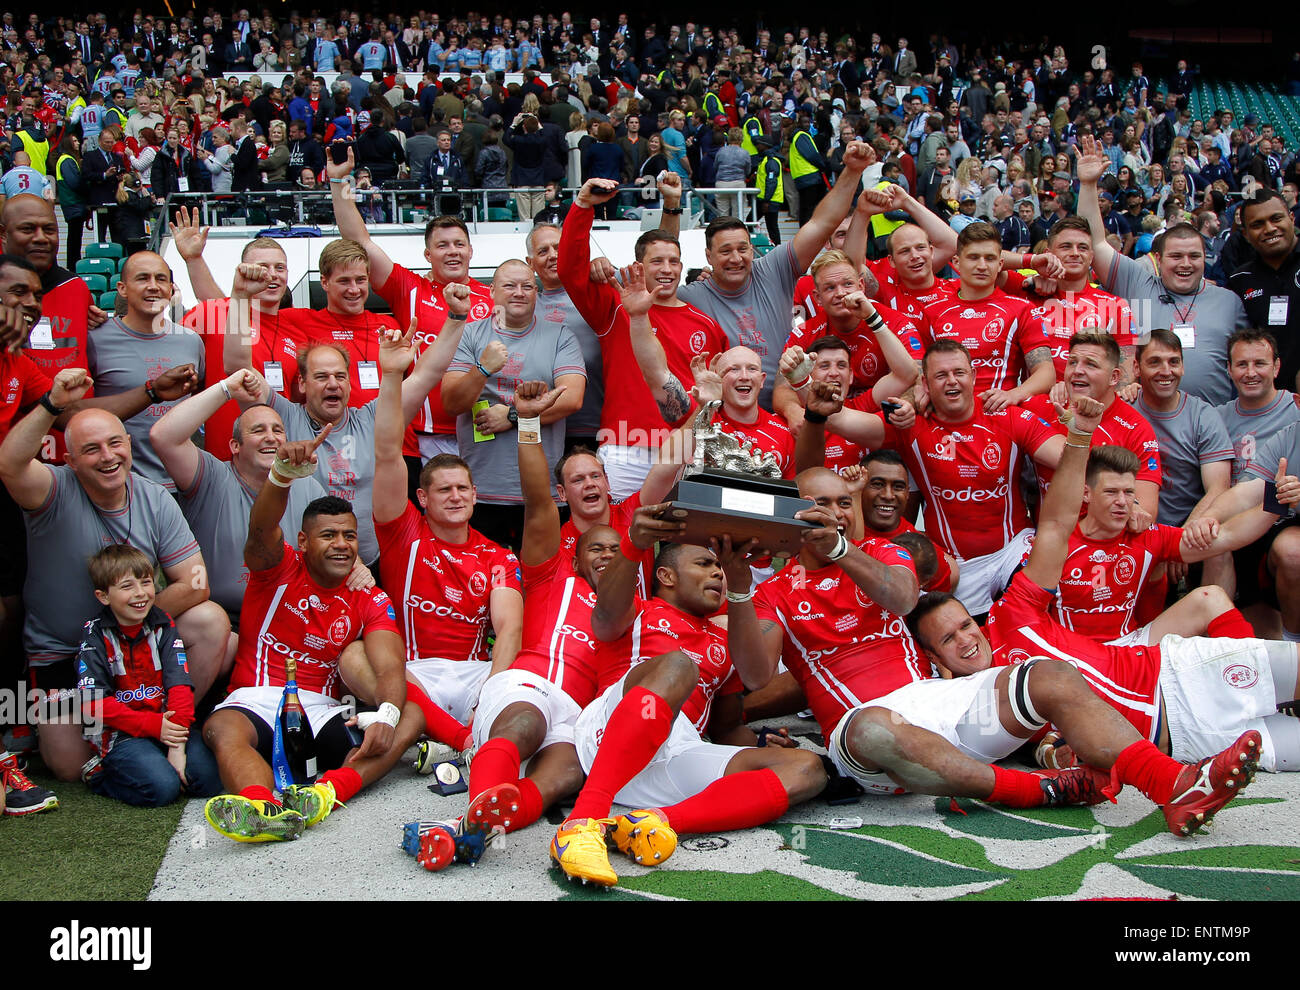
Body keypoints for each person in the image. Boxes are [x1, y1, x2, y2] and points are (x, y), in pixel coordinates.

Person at [828, 395, 1267, 835]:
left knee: (1203, 617)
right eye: (949, 640)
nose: (966, 639)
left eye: (966, 624)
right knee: (1043, 680)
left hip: (1149, 668)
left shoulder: (1013, 613)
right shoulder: (972, 686)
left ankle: (1187, 758)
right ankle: (1146, 783)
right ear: (936, 662)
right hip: (1144, 708)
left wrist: (1079, 435)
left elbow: (1054, 523)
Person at [549, 508, 828, 888]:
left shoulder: (723, 641)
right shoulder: (637, 611)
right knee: (679, 666)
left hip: (673, 754)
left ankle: (651, 823)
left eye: (720, 567)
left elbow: (731, 720)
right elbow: (604, 615)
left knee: (807, 768)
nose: (717, 572)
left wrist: (762, 745)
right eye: (705, 563)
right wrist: (634, 544)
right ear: (665, 576)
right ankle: (582, 823)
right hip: (611, 732)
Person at [0, 374, 231, 783]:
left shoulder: (155, 497)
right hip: (63, 654)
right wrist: (52, 404)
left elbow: (195, 583)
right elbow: (9, 463)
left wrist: (123, 621)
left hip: (135, 651)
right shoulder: (51, 490)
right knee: (69, 767)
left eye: (115, 443)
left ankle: (166, 725)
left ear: (128, 444)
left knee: (214, 623)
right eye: (91, 450)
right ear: (70, 461)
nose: (108, 457)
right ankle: (124, 736)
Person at [201, 441, 407, 843]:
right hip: (256, 697)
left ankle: (329, 794)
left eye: (349, 535)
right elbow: (260, 529)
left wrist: (387, 714)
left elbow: (389, 666)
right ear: (302, 542)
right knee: (221, 727)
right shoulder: (277, 570)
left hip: (320, 709)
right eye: (328, 535)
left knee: (404, 716)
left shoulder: (369, 595)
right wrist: (281, 476)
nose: (342, 544)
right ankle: (263, 811)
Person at [804, 340, 1071, 616]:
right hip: (954, 564)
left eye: (959, 372)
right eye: (941, 376)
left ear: (974, 376)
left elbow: (1067, 460)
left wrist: (1080, 432)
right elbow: (841, 421)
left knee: (1027, 611)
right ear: (926, 385)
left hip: (1012, 550)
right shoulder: (911, 425)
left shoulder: (1007, 417)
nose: (951, 381)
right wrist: (804, 385)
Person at [661, 141, 872, 411]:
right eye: (725, 251)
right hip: (729, 418)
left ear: (753, 249)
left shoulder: (774, 268)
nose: (736, 258)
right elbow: (660, 259)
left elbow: (822, 223)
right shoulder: (692, 296)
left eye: (743, 249)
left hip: (788, 409)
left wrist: (852, 171)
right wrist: (671, 205)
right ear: (708, 257)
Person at [558, 178, 727, 499]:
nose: (667, 269)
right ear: (639, 267)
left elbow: (716, 397)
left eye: (674, 261)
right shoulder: (614, 307)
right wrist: (582, 206)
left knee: (687, 546)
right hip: (626, 447)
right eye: (657, 261)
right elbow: (568, 269)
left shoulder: (706, 325)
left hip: (688, 448)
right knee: (624, 542)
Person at [327, 147, 492, 472]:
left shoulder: (494, 296)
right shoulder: (409, 288)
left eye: (459, 244)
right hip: (423, 434)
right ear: (428, 255)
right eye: (442, 245)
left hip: (481, 429)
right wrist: (339, 183)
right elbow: (360, 241)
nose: (452, 252)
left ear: (471, 250)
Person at [1076, 134, 1248, 406]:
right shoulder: (1136, 282)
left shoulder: (1230, 302)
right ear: (1158, 258)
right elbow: (1095, 242)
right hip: (1147, 421)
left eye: (1194, 256)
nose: (1185, 264)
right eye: (1176, 256)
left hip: (1215, 423)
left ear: (1206, 258)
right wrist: (1087, 184)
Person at [440, 259, 586, 550]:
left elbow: (572, 398)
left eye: (527, 286)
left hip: (540, 493)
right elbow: (451, 402)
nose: (519, 292)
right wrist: (482, 368)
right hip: (479, 491)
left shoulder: (559, 335)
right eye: (510, 285)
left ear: (536, 292)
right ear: (492, 291)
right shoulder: (470, 334)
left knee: (540, 580)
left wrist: (512, 415)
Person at [76, 544, 222, 806]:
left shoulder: (163, 623)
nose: (140, 593)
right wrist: (153, 726)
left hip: (169, 726)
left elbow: (180, 685)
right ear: (103, 596)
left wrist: (176, 747)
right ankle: (100, 775)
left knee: (211, 780)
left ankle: (163, 761)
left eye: (146, 583)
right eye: (127, 586)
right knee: (162, 789)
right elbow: (93, 704)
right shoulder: (94, 633)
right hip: (122, 734)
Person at [86, 252, 204, 491]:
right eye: (142, 278)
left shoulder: (191, 341)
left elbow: (197, 397)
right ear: (122, 288)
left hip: (182, 483)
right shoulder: (95, 339)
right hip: (121, 485)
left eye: (161, 279)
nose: (153, 286)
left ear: (171, 289)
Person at [920, 222, 1056, 411]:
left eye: (990, 258)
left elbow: (1046, 373)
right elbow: (918, 370)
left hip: (999, 415)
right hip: (947, 416)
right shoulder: (933, 312)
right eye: (973, 258)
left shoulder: (1021, 309)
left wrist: (1013, 395)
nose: (982, 266)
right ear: (957, 263)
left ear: (1000, 264)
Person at [1006, 216, 1136, 379]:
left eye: (1082, 247)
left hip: (1092, 402)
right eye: (1066, 247)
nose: (1075, 253)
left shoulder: (1115, 306)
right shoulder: (1027, 290)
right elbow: (985, 259)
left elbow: (1126, 374)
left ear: (1091, 256)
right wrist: (1031, 261)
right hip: (1035, 402)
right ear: (1048, 253)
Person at [1226, 190, 1300, 392]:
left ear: (1291, 218)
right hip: (1265, 406)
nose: (1269, 228)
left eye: (1276, 218)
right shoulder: (1239, 281)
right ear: (1246, 234)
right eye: (1257, 224)